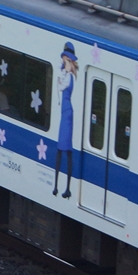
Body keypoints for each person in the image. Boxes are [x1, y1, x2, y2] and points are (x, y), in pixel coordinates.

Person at [52, 42, 78, 197]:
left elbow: (61, 87)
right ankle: (57, 186)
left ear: (72, 63)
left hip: (67, 113)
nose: (65, 64)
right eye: (64, 61)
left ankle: (67, 188)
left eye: (68, 61)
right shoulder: (66, 75)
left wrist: (62, 73)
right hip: (65, 112)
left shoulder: (69, 78)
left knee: (65, 150)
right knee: (62, 150)